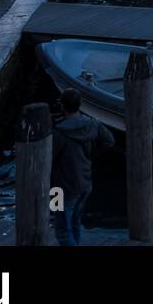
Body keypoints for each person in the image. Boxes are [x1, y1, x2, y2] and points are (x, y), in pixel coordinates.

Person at [51, 88, 114, 246]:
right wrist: (92, 155)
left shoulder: (58, 132)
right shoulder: (93, 124)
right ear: (80, 105)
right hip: (85, 183)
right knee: (75, 222)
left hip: (60, 188)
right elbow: (109, 141)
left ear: (62, 106)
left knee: (62, 230)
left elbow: (48, 159)